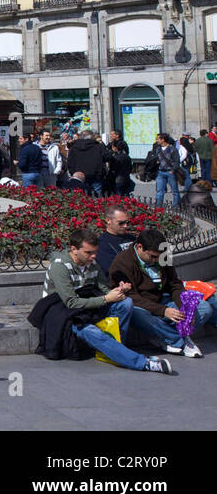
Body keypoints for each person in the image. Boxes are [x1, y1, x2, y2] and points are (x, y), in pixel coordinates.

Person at [37, 227, 173, 374]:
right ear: (74, 249)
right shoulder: (60, 266)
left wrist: (119, 291)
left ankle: (116, 348)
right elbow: (71, 302)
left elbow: (104, 288)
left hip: (86, 306)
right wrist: (106, 298)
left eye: (95, 252)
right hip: (63, 313)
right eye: (88, 252)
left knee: (125, 303)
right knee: (91, 331)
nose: (93, 256)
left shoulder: (92, 263)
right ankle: (143, 363)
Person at [109, 228, 204, 358]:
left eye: (159, 257)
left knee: (204, 308)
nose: (156, 260)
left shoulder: (162, 256)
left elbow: (175, 284)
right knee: (136, 312)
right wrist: (163, 311)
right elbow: (131, 296)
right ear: (140, 247)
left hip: (163, 300)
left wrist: (185, 306)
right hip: (143, 306)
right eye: (153, 256)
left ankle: (161, 336)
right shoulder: (123, 261)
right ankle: (180, 341)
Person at [67, 129, 109, 197]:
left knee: (81, 197)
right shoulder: (98, 146)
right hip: (95, 175)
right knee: (97, 198)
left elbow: (70, 162)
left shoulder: (74, 147)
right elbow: (107, 157)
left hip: (79, 175)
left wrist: (73, 172)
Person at [151, 134, 183, 208]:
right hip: (160, 172)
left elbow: (177, 161)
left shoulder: (172, 149)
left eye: (158, 139)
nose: (156, 140)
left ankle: (176, 206)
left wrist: (172, 170)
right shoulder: (158, 149)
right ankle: (158, 206)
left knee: (174, 191)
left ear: (163, 140)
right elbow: (156, 159)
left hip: (170, 172)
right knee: (159, 191)